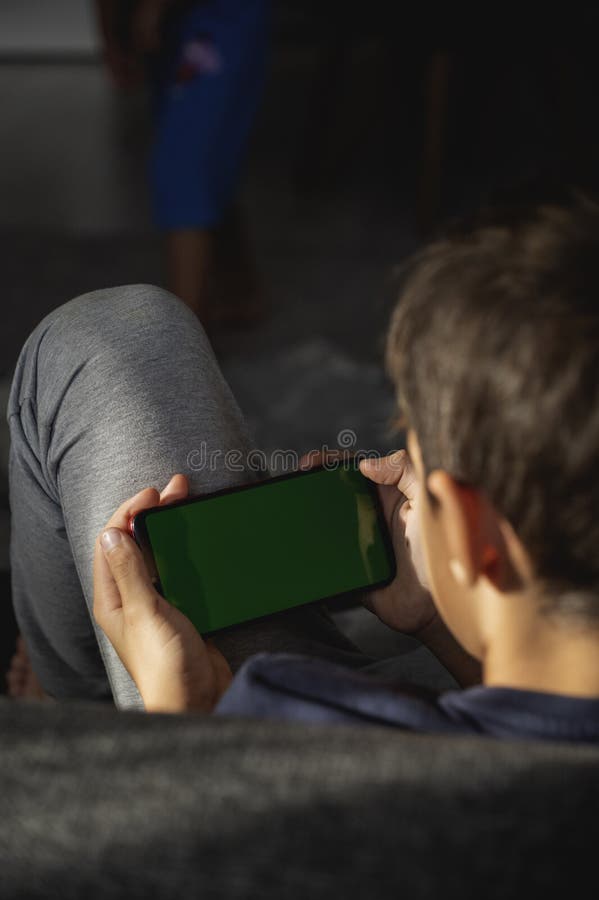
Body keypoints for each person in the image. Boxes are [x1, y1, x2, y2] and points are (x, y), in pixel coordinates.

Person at [7, 199, 599, 741]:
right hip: (467, 690)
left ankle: (76, 709)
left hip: (226, 746)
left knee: (105, 336)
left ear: (475, 532)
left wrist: (185, 716)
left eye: (414, 455)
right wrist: (444, 629)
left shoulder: (278, 719)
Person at [95, 0, 268, 324]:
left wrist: (153, 7)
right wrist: (111, 35)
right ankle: (239, 290)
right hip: (164, 28)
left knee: (182, 168)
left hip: (219, 15)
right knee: (202, 157)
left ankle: (184, 342)